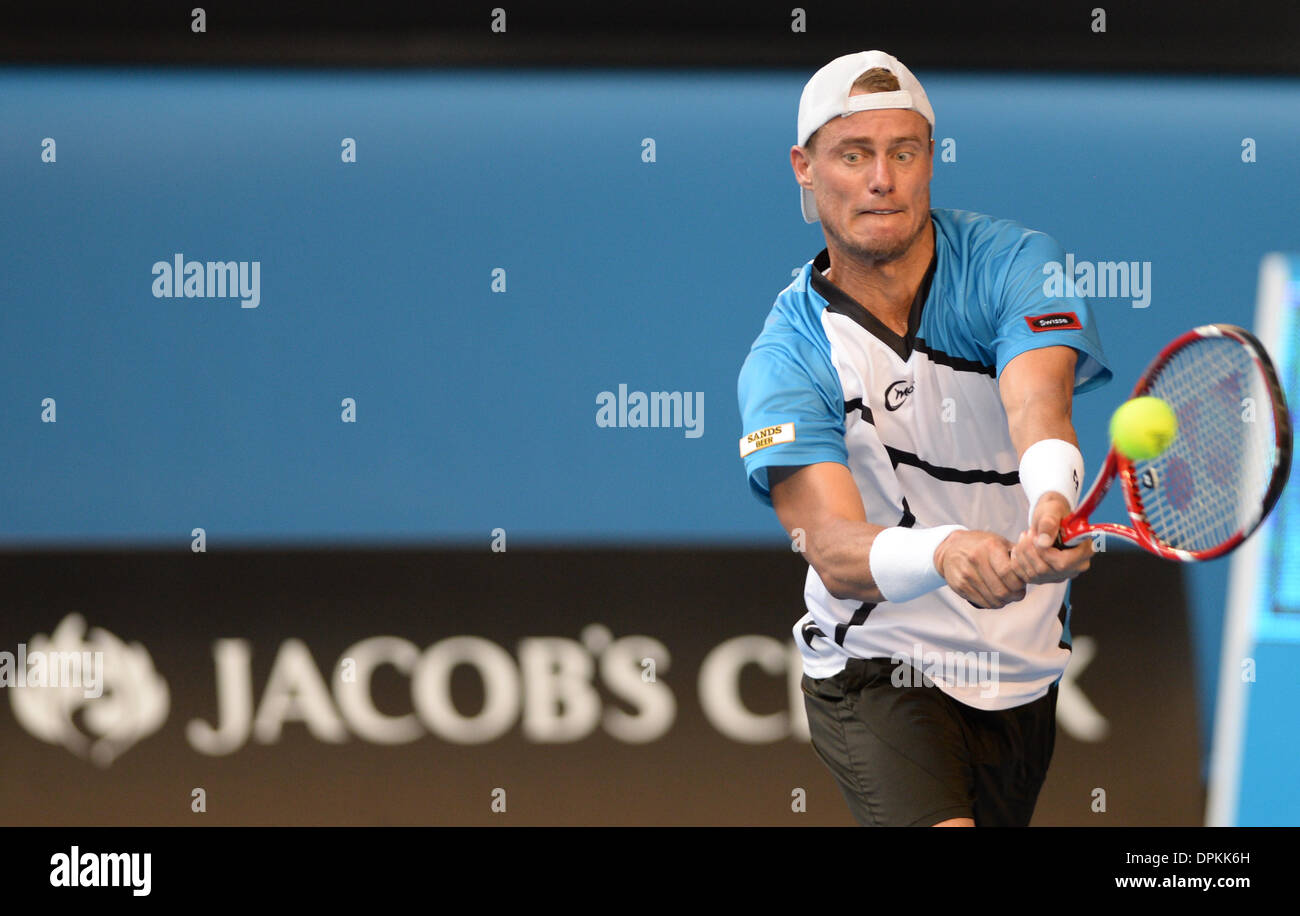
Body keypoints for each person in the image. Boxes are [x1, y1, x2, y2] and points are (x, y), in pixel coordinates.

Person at [736, 50, 1113, 826]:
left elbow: (1039, 405)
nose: (883, 179)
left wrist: (1051, 504)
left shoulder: (1012, 263)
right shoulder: (788, 357)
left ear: (929, 161)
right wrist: (945, 552)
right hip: (878, 664)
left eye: (904, 152)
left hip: (1022, 672)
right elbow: (832, 546)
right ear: (805, 169)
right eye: (855, 155)